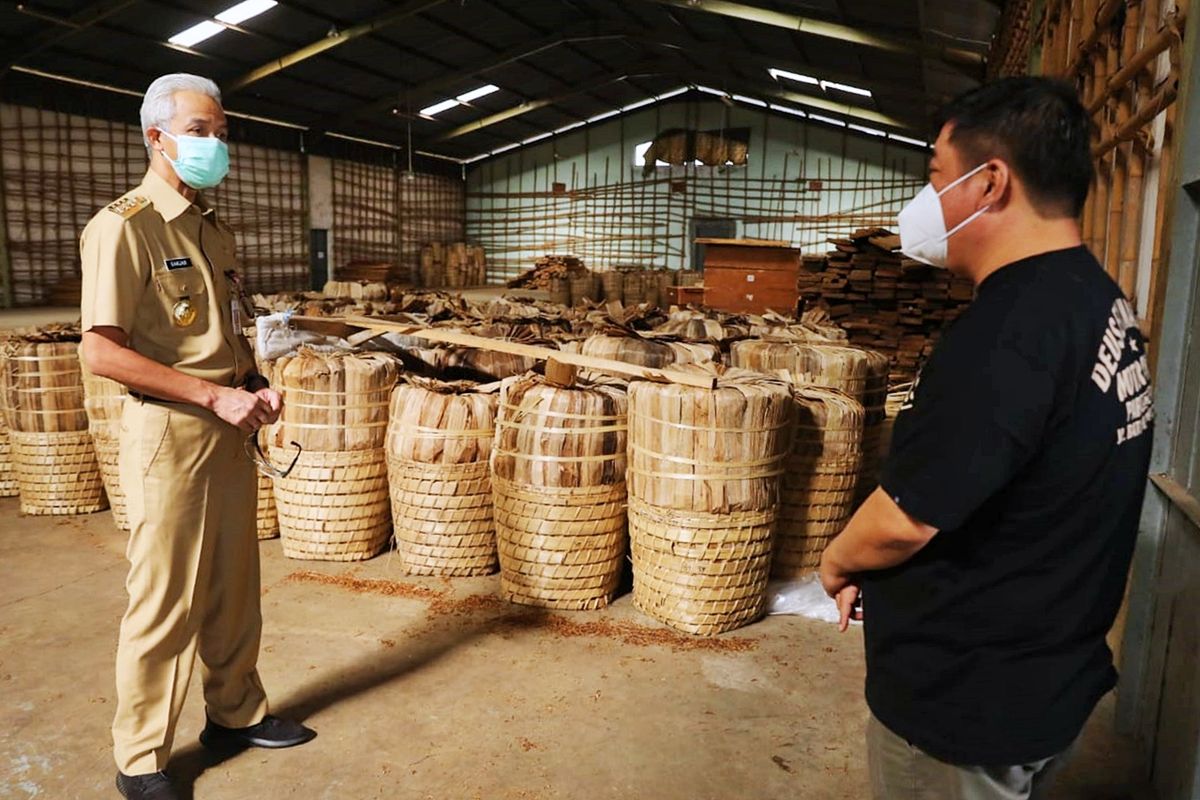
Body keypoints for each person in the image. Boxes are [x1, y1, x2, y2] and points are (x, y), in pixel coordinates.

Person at [819, 77, 1154, 799]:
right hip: (1046, 674)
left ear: (989, 183)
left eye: (937, 176)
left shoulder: (1007, 336)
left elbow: (906, 518)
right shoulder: (1095, 299)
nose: (926, 200)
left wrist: (838, 560)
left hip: (967, 702)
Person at [81, 73, 315, 800]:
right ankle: (140, 758)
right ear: (158, 137)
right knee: (163, 601)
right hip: (171, 435)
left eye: (221, 131)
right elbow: (101, 351)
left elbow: (220, 333)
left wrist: (249, 385)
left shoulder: (211, 225)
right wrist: (212, 393)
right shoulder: (124, 226)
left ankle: (236, 715)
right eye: (201, 131)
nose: (217, 144)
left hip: (226, 428)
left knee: (231, 587)